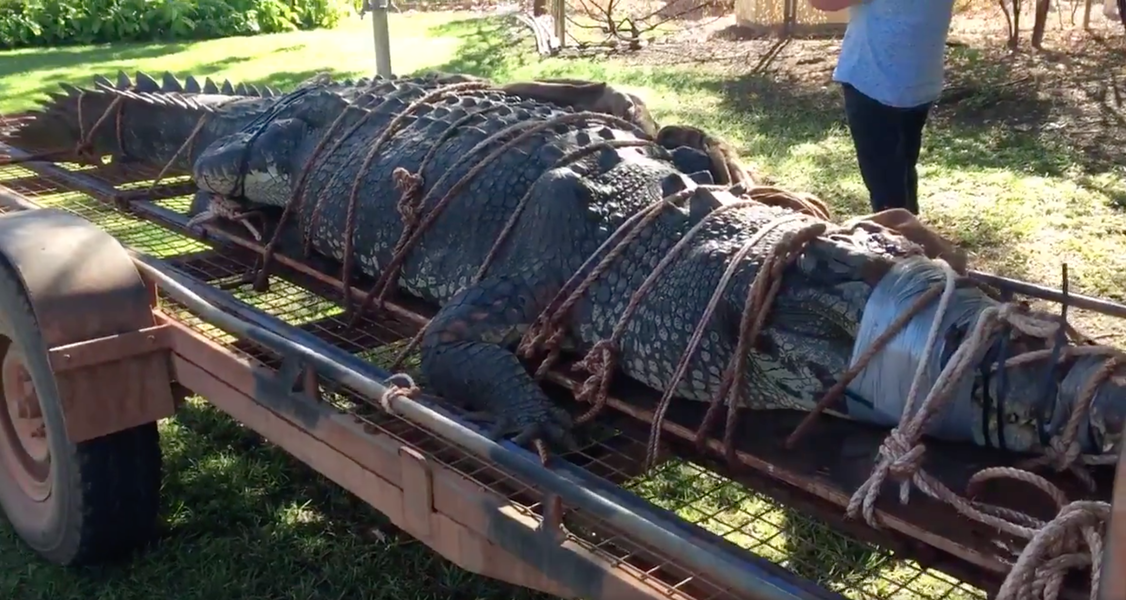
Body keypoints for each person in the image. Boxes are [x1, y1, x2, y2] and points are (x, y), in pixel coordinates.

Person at [809, 0, 957, 215]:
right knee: (903, 166)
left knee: (885, 183)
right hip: (920, 80)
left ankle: (898, 238)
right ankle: (910, 228)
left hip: (876, 82)